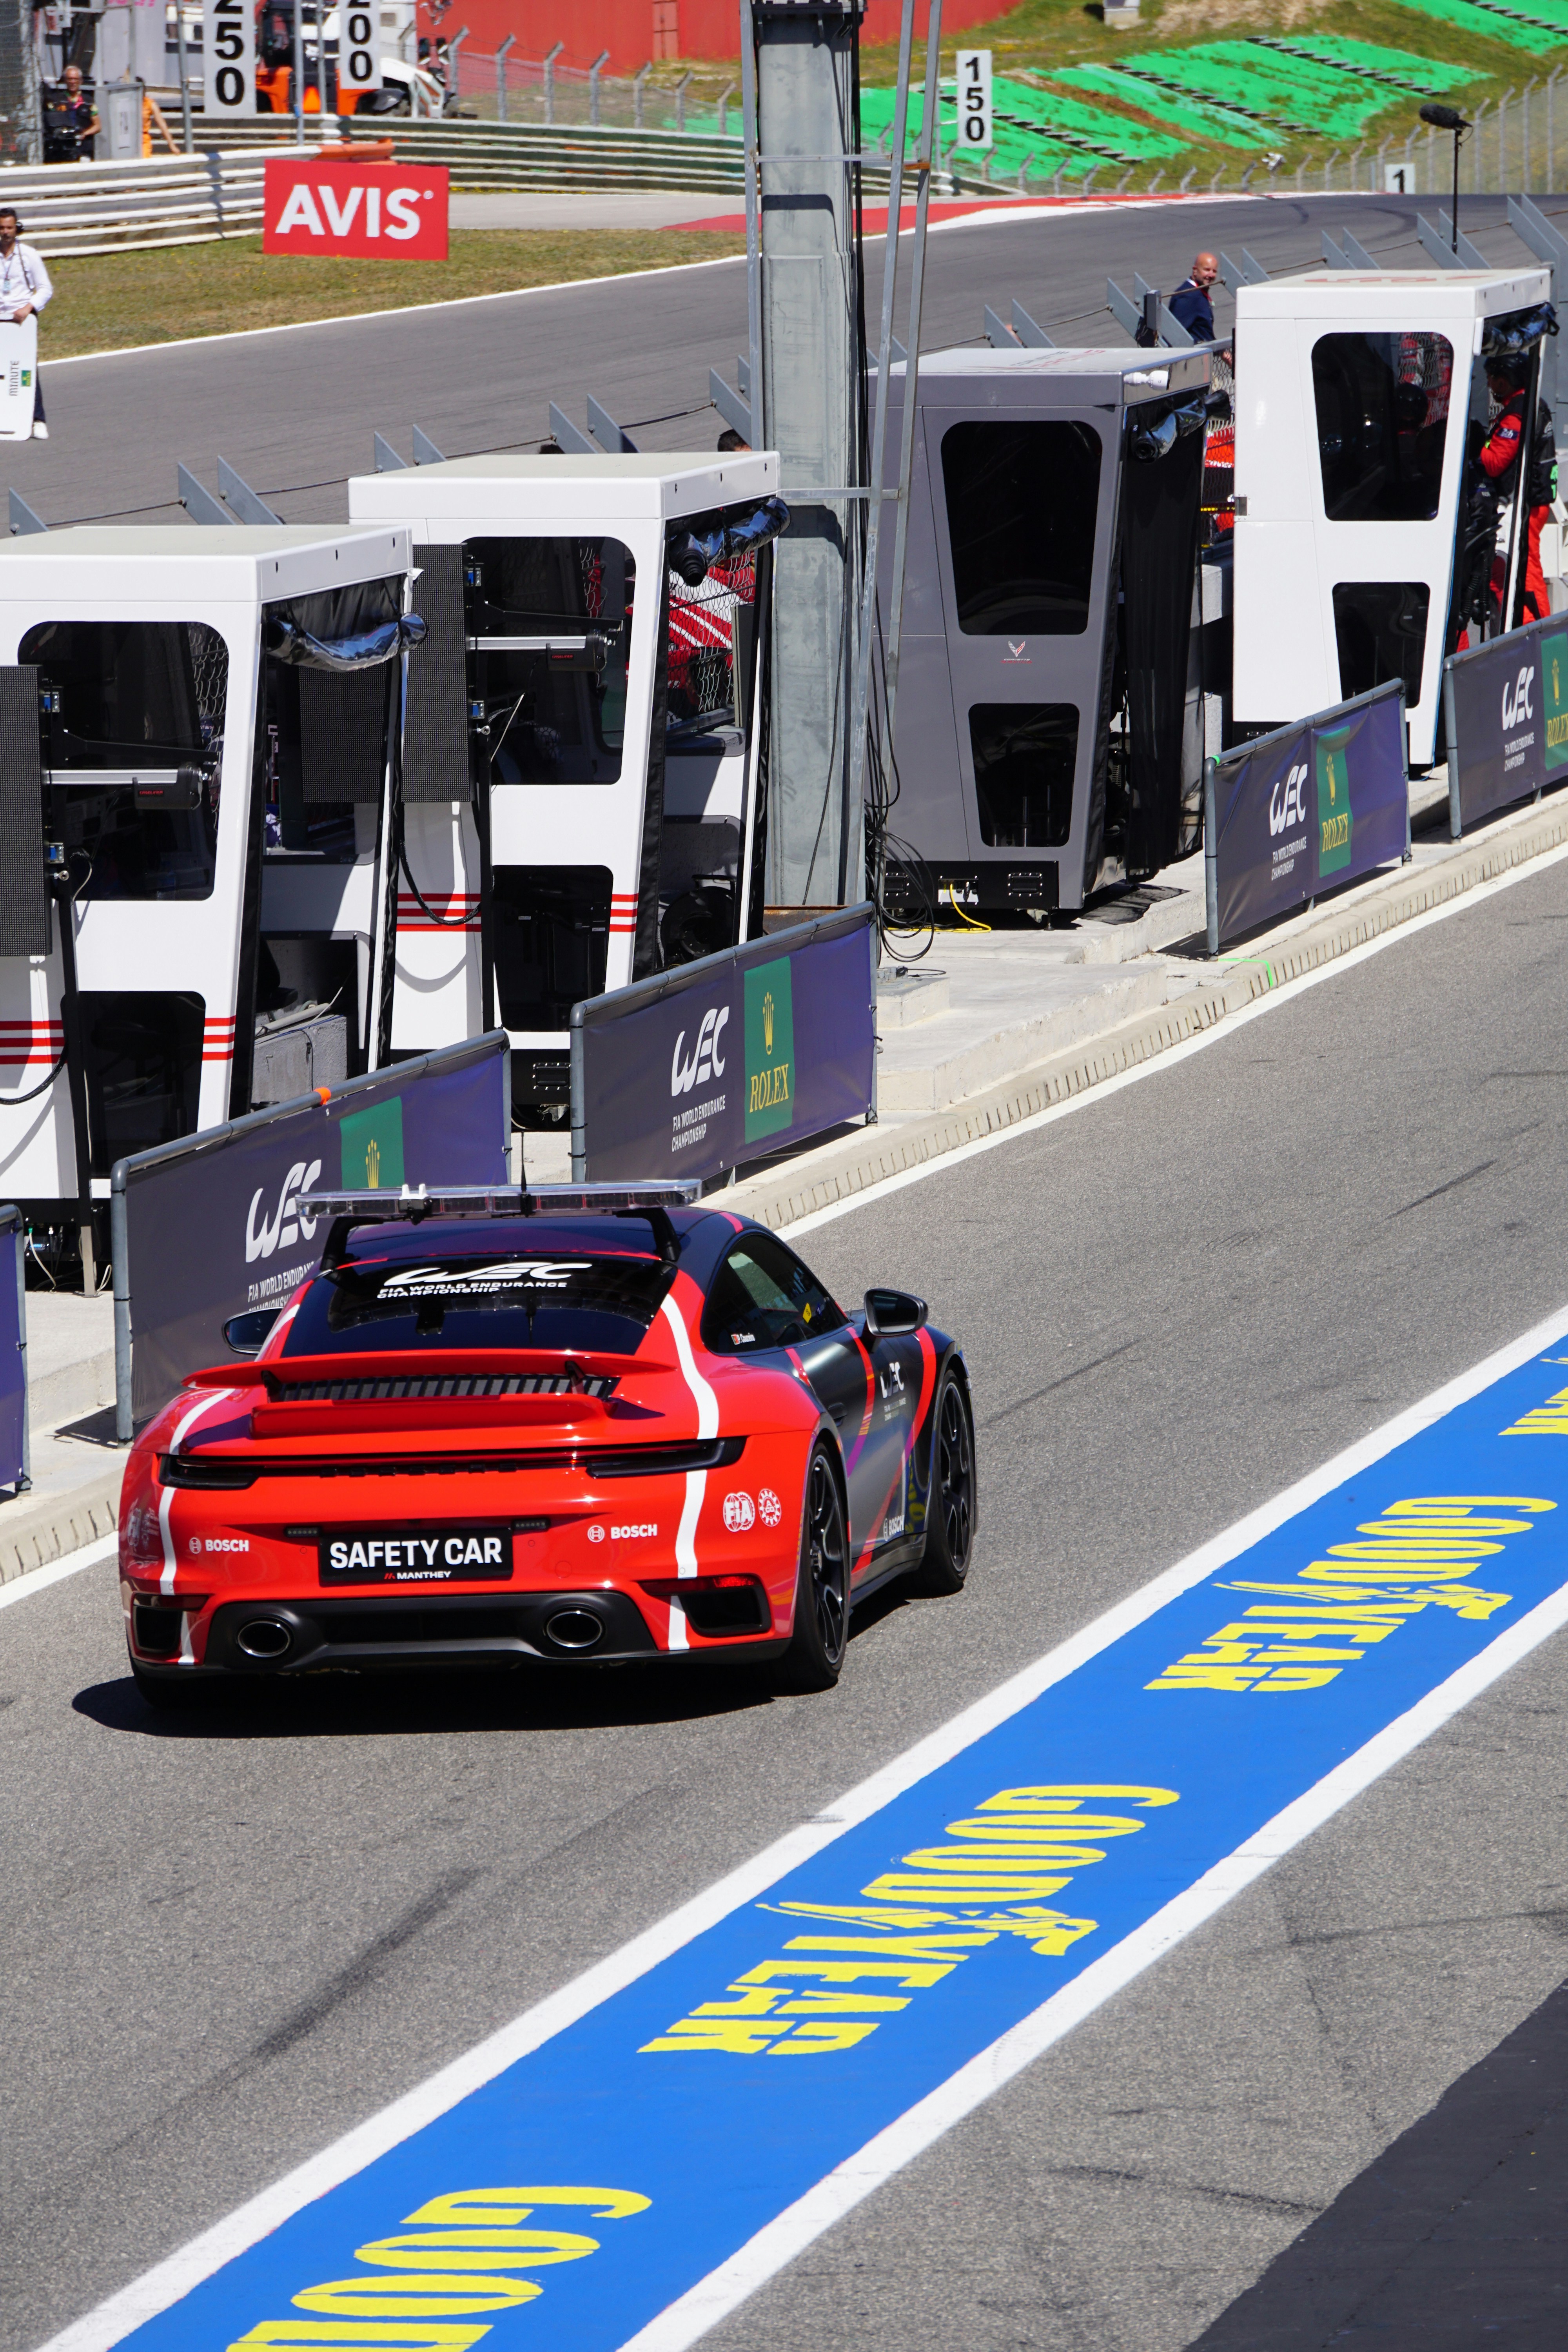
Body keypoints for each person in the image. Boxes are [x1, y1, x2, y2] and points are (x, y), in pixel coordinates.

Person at [1477, 361, 1549, 626]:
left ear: (1503, 380)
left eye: (1491, 378)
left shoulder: (1516, 414)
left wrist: (1476, 446)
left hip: (1523, 507)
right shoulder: (1532, 404)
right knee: (1505, 574)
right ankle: (1520, 629)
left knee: (1526, 575)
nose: (1488, 384)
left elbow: (1495, 463)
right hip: (1530, 503)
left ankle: (1538, 634)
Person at [0, 209, 52, 440]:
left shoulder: (28, 255)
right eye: (2, 228)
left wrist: (28, 308)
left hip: (22, 320)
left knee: (25, 370)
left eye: (9, 228)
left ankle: (37, 420)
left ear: (17, 229)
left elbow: (45, 289)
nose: (5, 232)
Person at [51, 64, 100, 162]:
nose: (73, 82)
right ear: (65, 81)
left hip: (83, 150)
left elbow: (98, 126)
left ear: (81, 81)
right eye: (70, 79)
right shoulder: (57, 100)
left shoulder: (88, 101)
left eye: (75, 79)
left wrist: (84, 134)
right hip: (63, 150)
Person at [1169, 252, 1219, 343]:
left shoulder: (1199, 292)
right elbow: (1175, 334)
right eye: (1207, 270)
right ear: (1195, 271)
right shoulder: (1188, 296)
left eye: (1214, 271)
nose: (1211, 275)